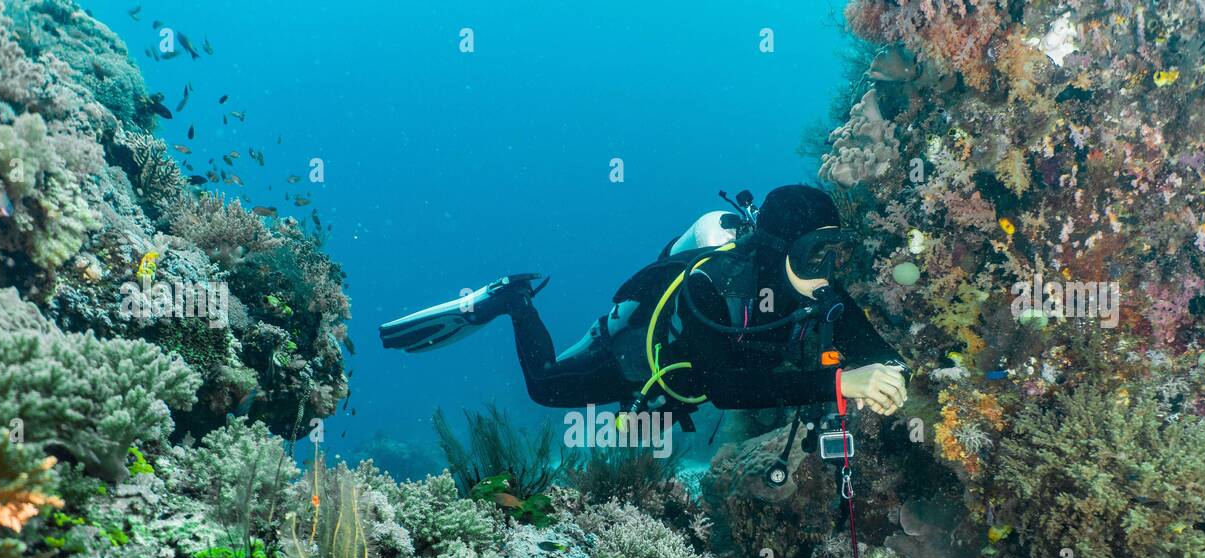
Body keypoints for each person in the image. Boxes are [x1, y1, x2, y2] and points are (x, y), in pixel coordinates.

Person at [380, 185, 907, 430]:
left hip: (698, 381)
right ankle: (512, 301)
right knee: (545, 388)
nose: (830, 270)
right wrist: (843, 384)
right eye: (817, 253)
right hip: (643, 357)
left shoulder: (816, 284)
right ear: (777, 249)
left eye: (838, 252)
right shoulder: (710, 287)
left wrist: (894, 370)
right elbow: (725, 391)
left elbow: (868, 345)